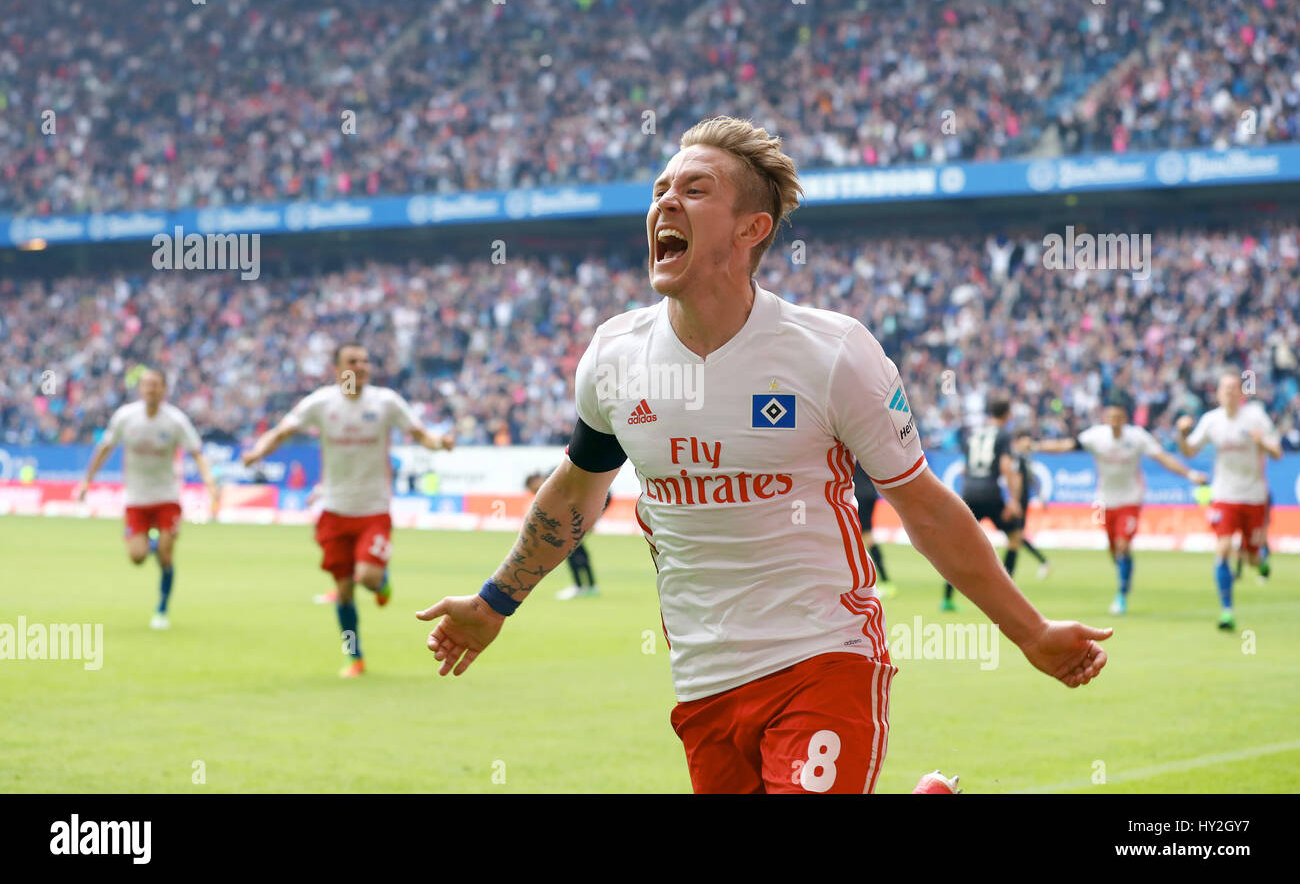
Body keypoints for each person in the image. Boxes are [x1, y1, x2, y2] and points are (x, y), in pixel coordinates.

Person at [417, 116, 1110, 794]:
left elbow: (923, 507)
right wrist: (494, 601)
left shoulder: (831, 354)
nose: (664, 200)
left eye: (694, 189)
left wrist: (1030, 632)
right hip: (703, 681)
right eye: (660, 187)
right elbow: (577, 489)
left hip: (824, 655)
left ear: (753, 229)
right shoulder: (613, 357)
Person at [241, 342, 454, 676]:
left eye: (366, 361)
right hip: (334, 510)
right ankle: (354, 656)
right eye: (353, 361)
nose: (361, 366)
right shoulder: (322, 403)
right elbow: (283, 431)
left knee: (366, 577)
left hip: (373, 509)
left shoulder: (385, 402)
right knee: (343, 591)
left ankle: (380, 580)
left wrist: (440, 443)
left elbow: (419, 433)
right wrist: (257, 452)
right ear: (338, 369)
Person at [73, 369, 219, 630]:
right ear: (140, 389)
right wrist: (86, 481)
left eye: (156, 385)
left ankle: (162, 609)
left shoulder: (175, 421)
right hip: (136, 498)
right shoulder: (126, 417)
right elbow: (105, 448)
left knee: (166, 555)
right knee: (137, 556)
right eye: (146, 385)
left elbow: (197, 452)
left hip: (167, 496)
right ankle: (151, 544)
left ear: (164, 389)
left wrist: (209, 482)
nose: (151, 389)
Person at [1032, 398, 1205, 615]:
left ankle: (1121, 596)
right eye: (1111, 416)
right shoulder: (1096, 436)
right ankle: (1126, 573)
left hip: (1131, 499)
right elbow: (1066, 445)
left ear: (1125, 418)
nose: (1114, 421)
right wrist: (1036, 446)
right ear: (1106, 417)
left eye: (1119, 417)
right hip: (1104, 501)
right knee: (1114, 550)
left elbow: (1163, 458)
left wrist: (1190, 474)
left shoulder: (1137, 437)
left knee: (1122, 545)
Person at [1176, 373, 1282, 630]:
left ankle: (1261, 557)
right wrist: (1181, 433)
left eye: (1235, 388)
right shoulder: (1211, 420)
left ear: (1242, 393)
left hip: (1254, 496)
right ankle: (1227, 611)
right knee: (1223, 549)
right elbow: (1189, 451)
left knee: (1250, 559)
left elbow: (1277, 452)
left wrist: (1263, 443)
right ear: (1218, 393)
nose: (1230, 393)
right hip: (1224, 495)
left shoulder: (1256, 416)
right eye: (1225, 389)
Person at [945, 395, 1022, 610]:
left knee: (958, 548)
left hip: (969, 491)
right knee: (1015, 537)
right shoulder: (1004, 436)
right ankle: (1007, 595)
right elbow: (1006, 467)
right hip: (990, 491)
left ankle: (947, 598)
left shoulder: (974, 434)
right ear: (1007, 414)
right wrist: (1013, 500)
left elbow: (964, 467)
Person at [525, 470, 610, 599]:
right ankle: (589, 586)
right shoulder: (553, 479)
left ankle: (581, 586)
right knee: (576, 549)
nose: (535, 492)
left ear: (534, 481)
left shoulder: (553, 481)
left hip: (582, 511)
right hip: (582, 511)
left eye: (534, 489)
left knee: (570, 549)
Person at [1010, 430, 1052, 581]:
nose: (1029, 443)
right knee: (1016, 536)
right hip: (1019, 501)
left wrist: (1040, 497)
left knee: (1016, 536)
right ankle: (1042, 561)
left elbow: (1029, 478)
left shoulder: (1023, 458)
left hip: (1021, 502)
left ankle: (1009, 575)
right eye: (1026, 440)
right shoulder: (1017, 457)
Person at [852, 464, 896, 598]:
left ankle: (882, 581)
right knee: (866, 536)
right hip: (870, 493)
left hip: (856, 494)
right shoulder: (863, 446)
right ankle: (884, 580)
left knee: (856, 537)